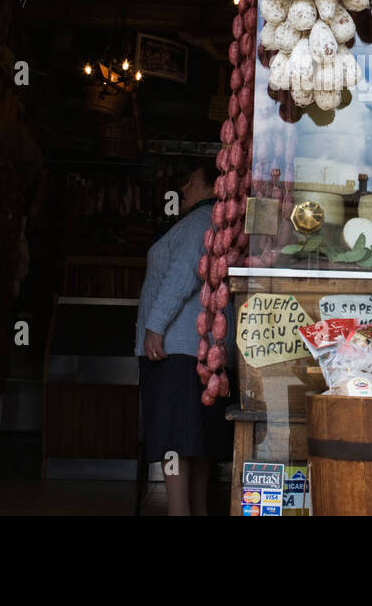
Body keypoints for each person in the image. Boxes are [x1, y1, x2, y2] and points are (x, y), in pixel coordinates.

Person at [135, 158, 229, 516]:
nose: (183, 189)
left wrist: (155, 326)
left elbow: (180, 278)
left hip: (176, 349)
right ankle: (196, 509)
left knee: (172, 440)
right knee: (197, 439)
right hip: (204, 350)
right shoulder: (217, 225)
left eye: (191, 182)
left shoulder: (196, 224)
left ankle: (178, 511)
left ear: (210, 188)